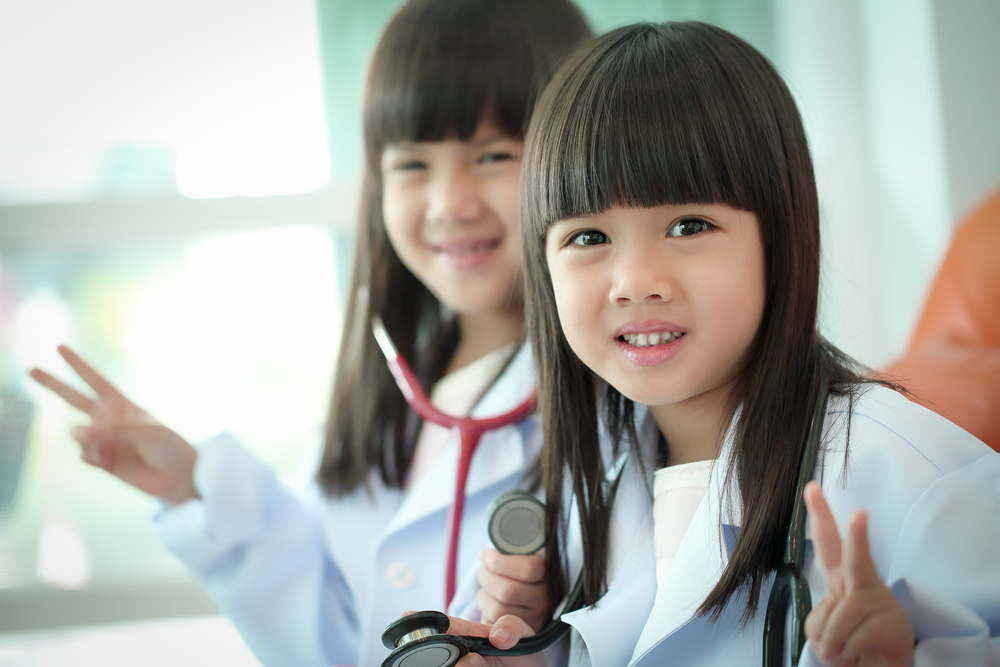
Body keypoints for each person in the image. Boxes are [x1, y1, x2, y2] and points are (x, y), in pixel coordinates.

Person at [27, 1, 592, 666]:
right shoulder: (392, 398)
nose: (448, 203)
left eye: (493, 155)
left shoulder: (612, 403)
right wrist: (191, 485)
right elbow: (337, 639)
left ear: (575, 158)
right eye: (411, 164)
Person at [450, 21, 1000, 667]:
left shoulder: (922, 476)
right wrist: (520, 649)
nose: (635, 282)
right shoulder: (562, 495)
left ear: (781, 238)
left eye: (689, 225)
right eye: (589, 237)